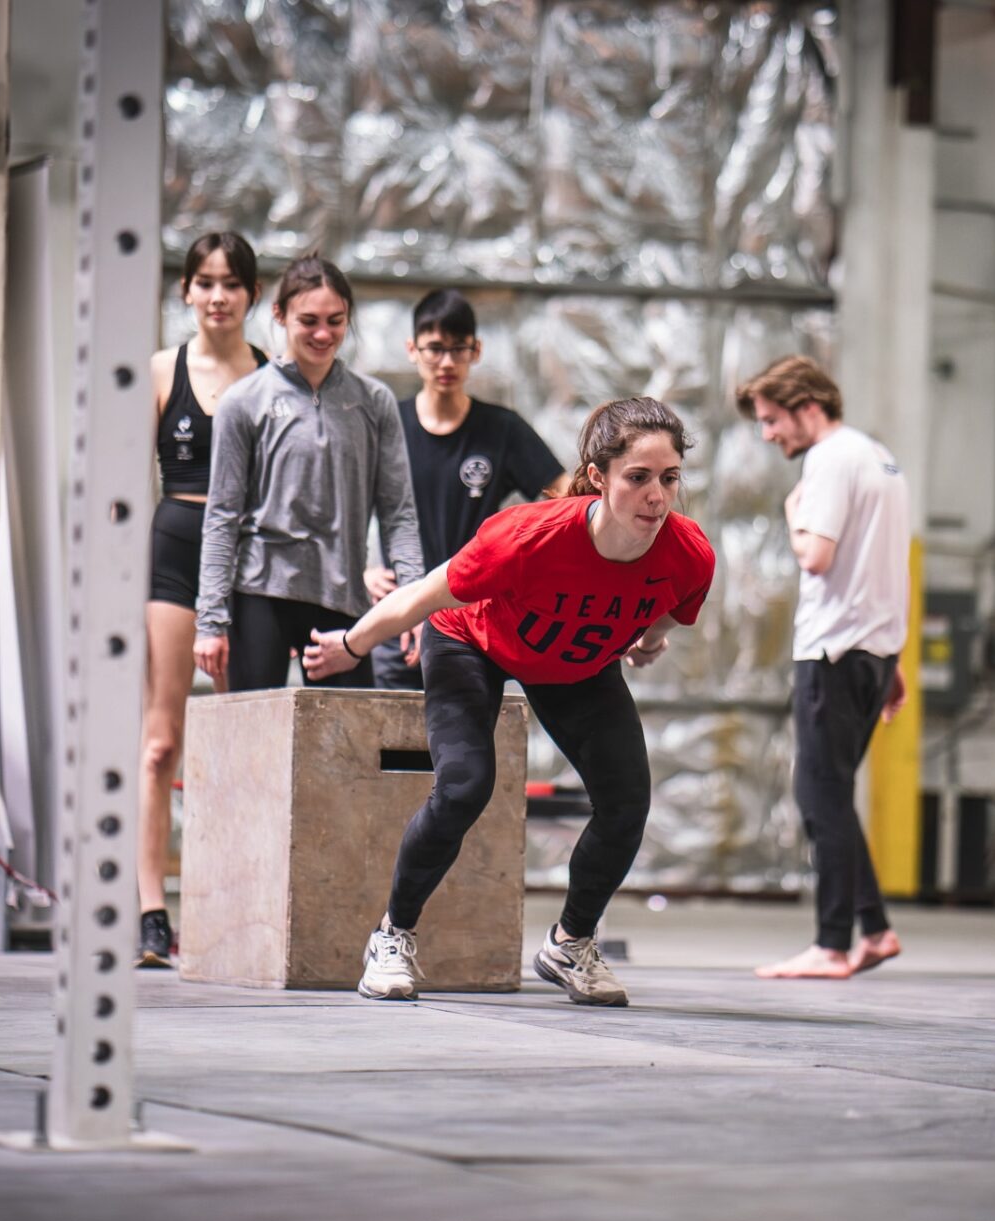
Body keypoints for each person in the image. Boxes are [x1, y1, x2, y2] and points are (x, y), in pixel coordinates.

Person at [301, 397, 715, 1007]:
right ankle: (392, 936)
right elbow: (422, 595)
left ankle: (570, 943)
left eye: (670, 478)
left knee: (627, 801)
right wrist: (350, 644)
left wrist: (647, 644)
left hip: (574, 662)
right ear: (598, 477)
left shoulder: (689, 552)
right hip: (472, 642)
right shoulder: (528, 536)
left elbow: (666, 611)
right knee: (465, 787)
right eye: (638, 477)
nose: (657, 496)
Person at [736, 356, 911, 980]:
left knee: (818, 795)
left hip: (833, 652)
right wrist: (891, 660)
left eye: (772, 420)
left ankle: (832, 944)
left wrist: (794, 516)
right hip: (872, 650)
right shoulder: (879, 457)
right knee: (833, 793)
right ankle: (875, 929)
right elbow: (883, 564)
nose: (768, 434)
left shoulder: (830, 459)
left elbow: (816, 556)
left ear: (807, 407)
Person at [194, 255, 424, 695]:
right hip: (261, 591)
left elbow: (398, 513)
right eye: (309, 321)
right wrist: (211, 621)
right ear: (280, 315)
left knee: (349, 734)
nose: (323, 334)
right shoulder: (244, 401)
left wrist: (412, 603)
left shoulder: (373, 401)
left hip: (343, 597)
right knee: (255, 731)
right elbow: (222, 516)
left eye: (335, 321)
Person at [137, 231, 268, 968]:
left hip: (248, 561)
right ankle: (150, 911)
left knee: (240, 743)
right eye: (205, 282)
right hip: (176, 551)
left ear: (253, 295)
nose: (218, 296)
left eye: (231, 283)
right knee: (161, 743)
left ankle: (228, 903)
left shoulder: (273, 378)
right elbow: (123, 484)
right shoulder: (162, 370)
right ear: (186, 290)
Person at [366, 288, 567, 690]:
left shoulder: (502, 429)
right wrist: (362, 570)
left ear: (476, 351)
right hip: (398, 615)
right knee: (387, 723)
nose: (446, 362)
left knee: (465, 725)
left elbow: (566, 499)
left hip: (470, 618)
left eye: (458, 349)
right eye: (435, 349)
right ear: (412, 349)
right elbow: (342, 502)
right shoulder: (388, 425)